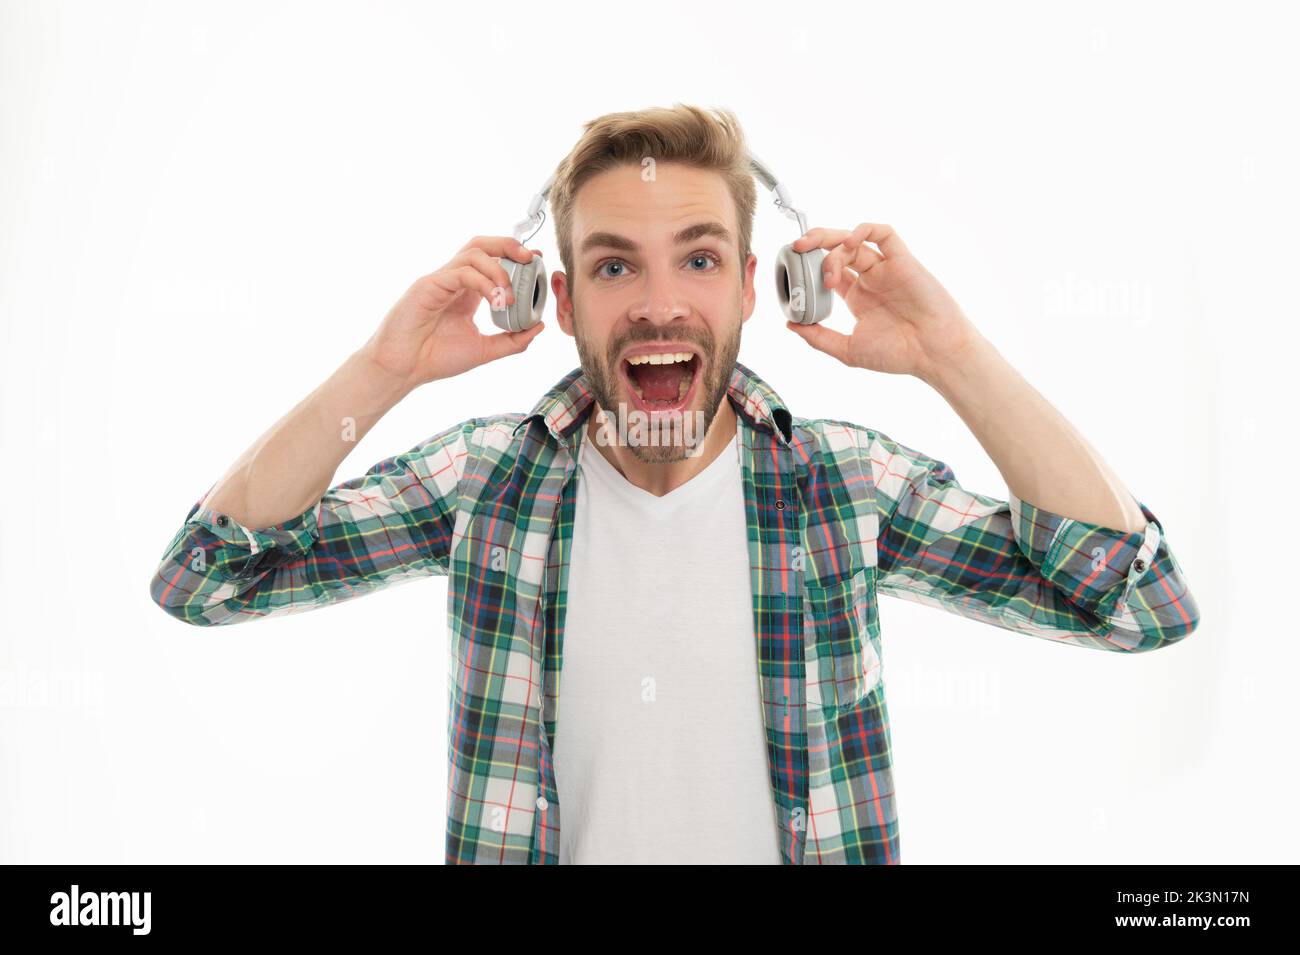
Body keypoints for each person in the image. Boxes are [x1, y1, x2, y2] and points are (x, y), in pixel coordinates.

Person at [149, 103, 1200, 865]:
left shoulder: (842, 485)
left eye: (698, 260)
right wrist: (381, 372)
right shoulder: (484, 483)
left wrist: (949, 352)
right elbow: (207, 576)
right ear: (558, 302)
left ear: (752, 285)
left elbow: (1135, 602)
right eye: (614, 267)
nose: (658, 304)